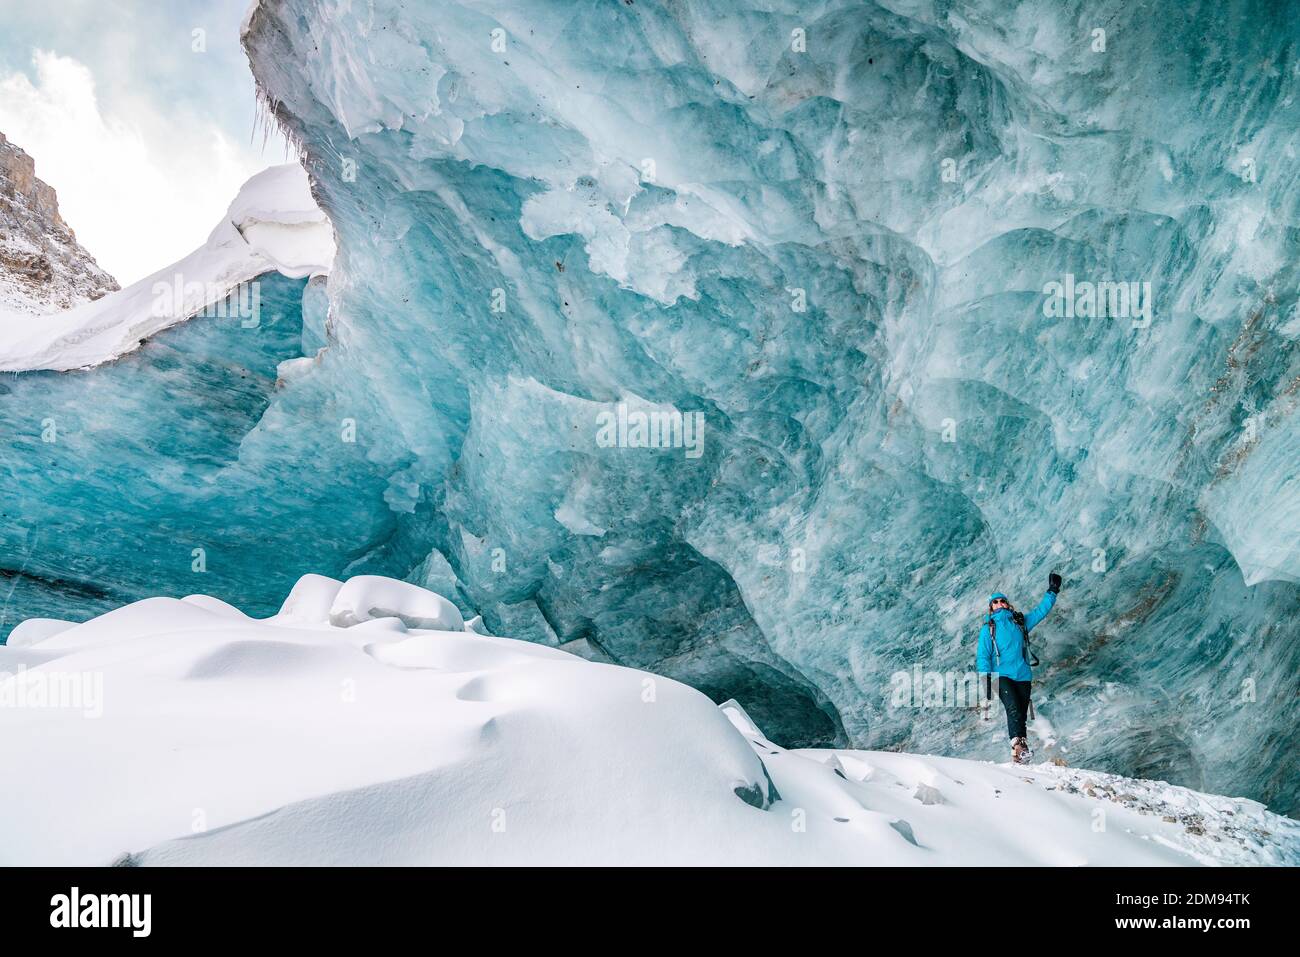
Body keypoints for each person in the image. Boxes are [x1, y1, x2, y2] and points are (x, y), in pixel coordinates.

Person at [976, 572, 1062, 764]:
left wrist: (1052, 591)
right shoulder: (988, 628)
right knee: (1013, 708)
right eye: (995, 602)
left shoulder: (1019, 622)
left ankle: (1018, 754)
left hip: (1023, 675)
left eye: (1002, 600)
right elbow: (983, 656)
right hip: (1001, 676)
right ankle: (1018, 746)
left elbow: (1041, 611)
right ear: (991, 607)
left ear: (1007, 604)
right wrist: (986, 680)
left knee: (1021, 714)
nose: (999, 603)